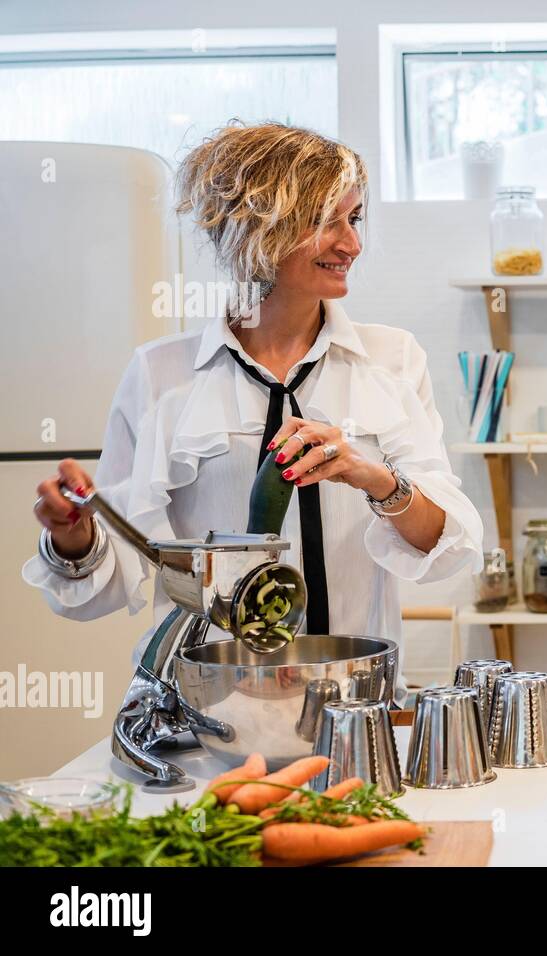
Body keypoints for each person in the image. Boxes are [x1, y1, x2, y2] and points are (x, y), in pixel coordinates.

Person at [26, 122, 483, 680]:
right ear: (256, 230)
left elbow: (447, 548)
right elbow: (117, 574)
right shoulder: (160, 374)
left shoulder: (394, 360)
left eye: (354, 218)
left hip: (355, 706)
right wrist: (74, 537)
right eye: (325, 221)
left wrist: (373, 477)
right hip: (206, 705)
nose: (351, 244)